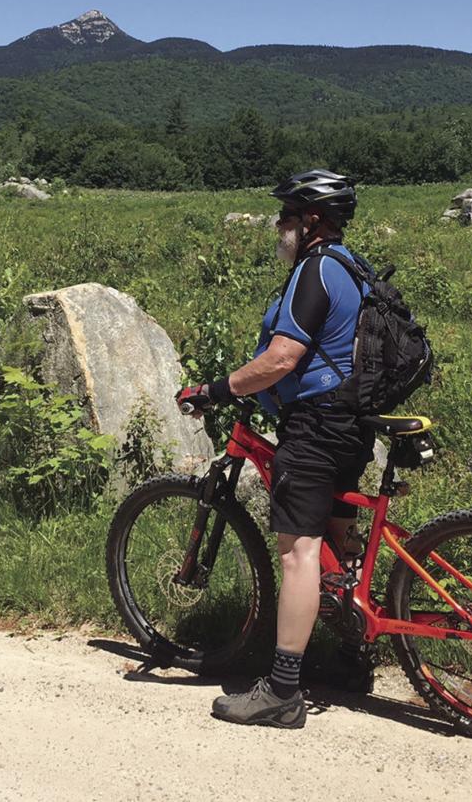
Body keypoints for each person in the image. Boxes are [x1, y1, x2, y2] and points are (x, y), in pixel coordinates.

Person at [178, 168, 371, 729]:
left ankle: (283, 690)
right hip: (351, 426)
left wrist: (216, 389)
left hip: (314, 429)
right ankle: (352, 659)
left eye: (286, 215)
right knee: (338, 545)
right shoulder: (351, 267)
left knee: (298, 553)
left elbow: (282, 358)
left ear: (311, 221)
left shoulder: (314, 271)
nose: (278, 225)